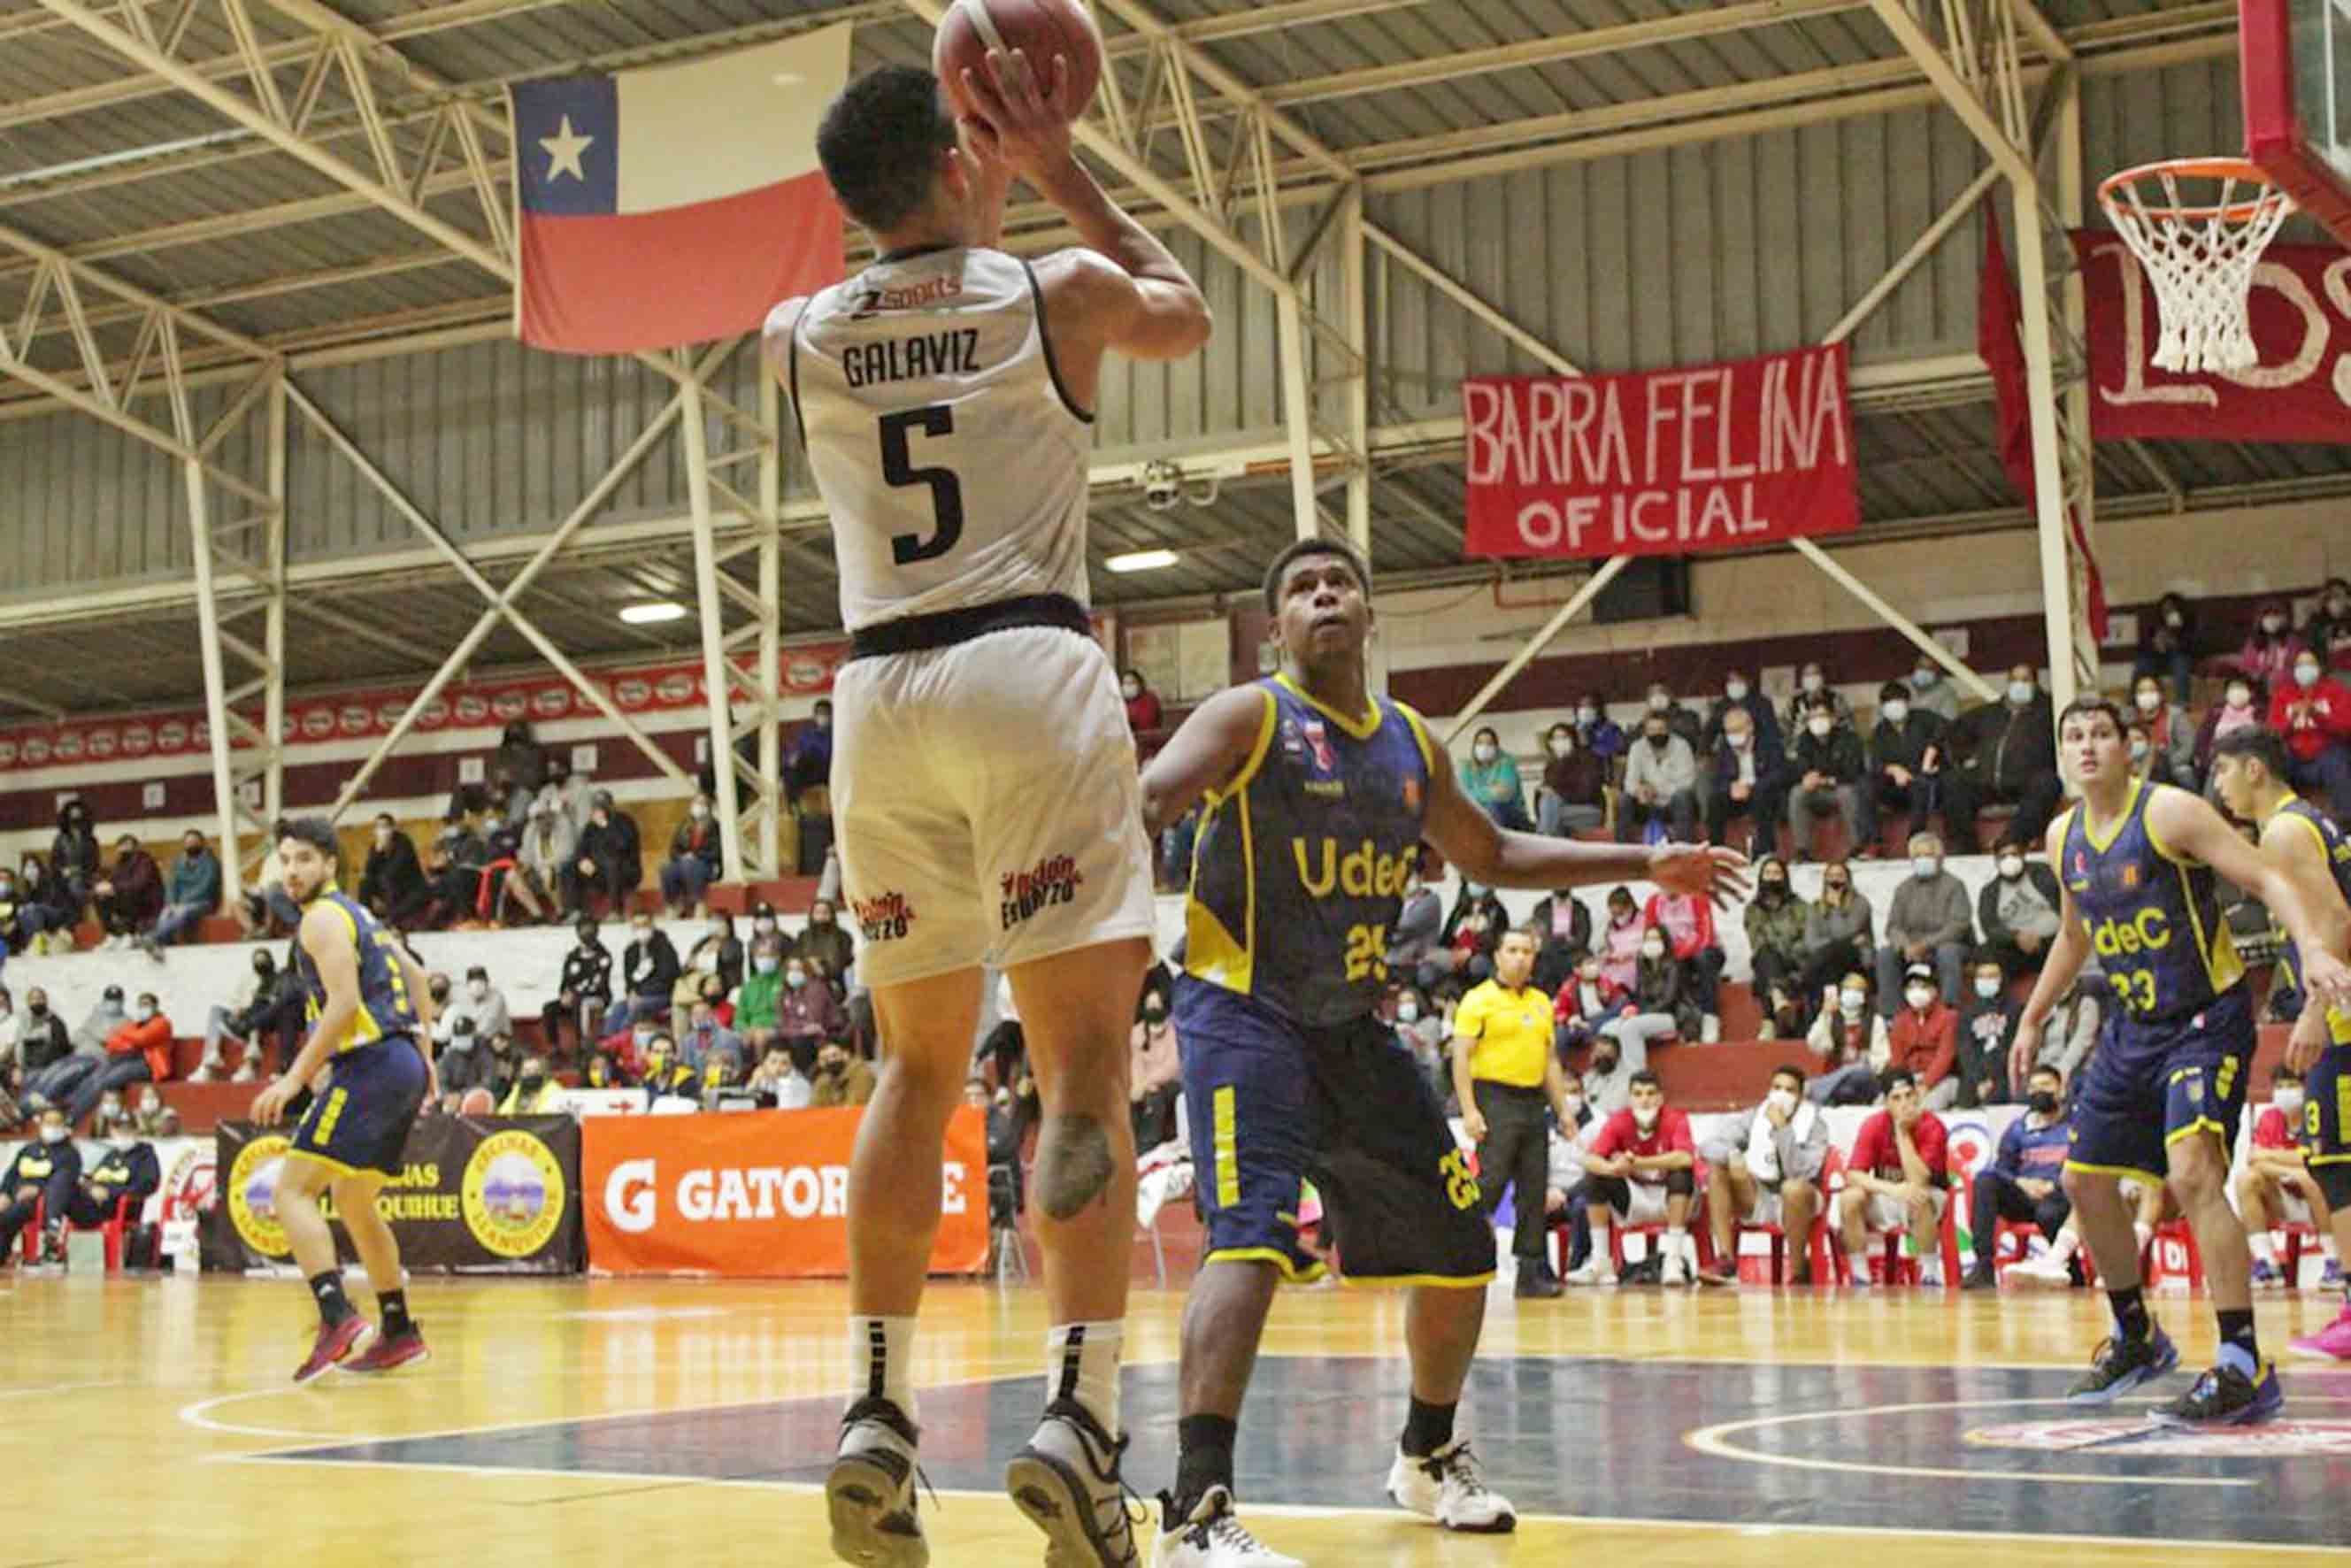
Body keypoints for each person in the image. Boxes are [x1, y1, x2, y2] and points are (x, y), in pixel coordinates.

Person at [772, 55, 1218, 1568]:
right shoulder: (1055, 293)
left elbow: (895, 280)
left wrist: (977, 174)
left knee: (914, 1067)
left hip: (878, 701)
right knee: (1081, 1064)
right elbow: (1186, 306)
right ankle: (1080, 1422)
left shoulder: (797, 336)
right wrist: (1061, 157)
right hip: (1024, 661)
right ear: (965, 158)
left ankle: (876, 1417)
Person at [1138, 534, 1743, 1562]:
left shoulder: (1409, 742)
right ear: (1273, 629)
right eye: (1299, 589)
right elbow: (1146, 798)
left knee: (1463, 1246)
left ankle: (1424, 1453)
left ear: (1371, 617)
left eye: (1340, 584)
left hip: (1349, 1028)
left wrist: (1645, 859)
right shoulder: (1251, 716)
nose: (1322, 595)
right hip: (1242, 1014)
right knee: (1248, 1236)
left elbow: (1493, 851)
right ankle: (1195, 1514)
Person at [2009, 700, 2351, 1425]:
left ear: (2129, 748)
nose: (2087, 746)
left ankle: (2238, 1362)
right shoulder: (2061, 836)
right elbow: (2074, 937)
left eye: (2101, 733)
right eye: (2074, 737)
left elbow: (2266, 879)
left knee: (2192, 1170)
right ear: (2063, 755)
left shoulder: (2171, 813)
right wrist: (2033, 1016)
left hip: (2205, 1018)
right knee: (2082, 1181)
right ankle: (2135, 1334)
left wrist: (2313, 948)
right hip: (2133, 1027)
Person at [246, 819, 439, 1380]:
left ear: (331, 864)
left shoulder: (321, 920)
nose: (292, 871)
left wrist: (294, 1078)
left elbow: (344, 1004)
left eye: (304, 859)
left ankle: (337, 1315)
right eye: (285, 860)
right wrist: (423, 1055)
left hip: (372, 1063)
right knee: (355, 1202)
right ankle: (398, 1330)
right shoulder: (363, 918)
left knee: (291, 1191)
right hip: (396, 1061)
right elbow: (418, 978)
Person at [2205, 726, 2351, 1357]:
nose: (2217, 786)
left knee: (2338, 1165)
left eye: (2222, 772)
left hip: (2343, 1014)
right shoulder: (2309, 822)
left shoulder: (2286, 830)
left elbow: (2336, 921)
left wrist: (2316, 1010)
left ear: (2254, 770)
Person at [1452, 926, 1582, 1300]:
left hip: (1532, 1101)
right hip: (1494, 1096)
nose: (1520, 958)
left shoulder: (1542, 1002)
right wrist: (1470, 1110)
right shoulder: (1478, 1000)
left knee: (1533, 1186)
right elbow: (1460, 1057)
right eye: (1512, 950)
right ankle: (1459, 1256)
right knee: (1490, 1182)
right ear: (1497, 956)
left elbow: (1550, 1062)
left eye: (1527, 951)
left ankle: (1530, 1272)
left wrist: (1563, 1110)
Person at [1697, 1063, 1827, 1287]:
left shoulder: (1815, 1124)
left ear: (1800, 1096)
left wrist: (1783, 1129)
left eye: (1789, 1090)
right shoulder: (1755, 1116)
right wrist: (1733, 1155)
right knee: (1718, 1169)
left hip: (1801, 1200)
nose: (1781, 1095)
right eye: (1777, 1087)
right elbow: (1707, 1146)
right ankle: (1727, 1262)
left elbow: (1801, 1172)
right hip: (1760, 1195)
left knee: (1792, 1188)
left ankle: (1798, 1273)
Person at [1566, 1070, 1700, 1287]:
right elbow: (1590, 1159)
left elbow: (1685, 1157)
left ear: (1660, 1098)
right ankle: (1601, 1261)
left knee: (1681, 1174)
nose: (1644, 1100)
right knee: (1594, 1177)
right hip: (1634, 1200)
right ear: (1630, 1098)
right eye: (1637, 1094)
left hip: (1672, 1199)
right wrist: (1612, 1168)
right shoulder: (1619, 1121)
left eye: (1650, 1094)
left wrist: (1636, 1162)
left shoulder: (1676, 1119)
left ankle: (1673, 1260)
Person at [1833, 1068, 1950, 1288]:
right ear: (1886, 1103)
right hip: (1891, 1195)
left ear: (1918, 1096)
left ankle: (1930, 1271)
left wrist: (1902, 1133)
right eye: (1896, 1098)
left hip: (1930, 1197)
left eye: (1909, 1095)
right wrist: (1892, 1189)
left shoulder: (1933, 1126)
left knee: (1919, 1196)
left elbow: (1919, 1179)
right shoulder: (1874, 1124)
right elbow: (1853, 1174)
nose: (1905, 1103)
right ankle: (1860, 1274)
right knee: (1850, 1198)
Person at [1960, 1064, 2072, 1289]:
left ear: (2061, 1090)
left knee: (2048, 1212)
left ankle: (2071, 1268)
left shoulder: (2075, 1124)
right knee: (1985, 1180)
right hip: (2024, 1196)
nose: (2040, 1092)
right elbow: (2003, 1168)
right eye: (2034, 1087)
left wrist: (2055, 1186)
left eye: (2046, 1086)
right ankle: (1983, 1265)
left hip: (2062, 1197)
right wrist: (2020, 1182)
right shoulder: (2018, 1129)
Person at [2234, 1066, 2335, 1291]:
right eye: (2280, 1087)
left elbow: (2314, 1158)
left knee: (2312, 1180)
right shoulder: (2270, 1117)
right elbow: (2254, 1158)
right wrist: (2294, 1168)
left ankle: (2333, 1261)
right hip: (2284, 1200)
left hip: (2324, 1202)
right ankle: (2267, 1264)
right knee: (2246, 1180)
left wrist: (2272, 1157)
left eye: (2291, 1086)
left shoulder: (2318, 1114)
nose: (2285, 1092)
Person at [1942, 665, 2063, 852]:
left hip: (2026, 781)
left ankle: (2012, 839)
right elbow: (1953, 731)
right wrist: (1964, 758)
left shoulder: (2048, 713)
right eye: (2015, 680)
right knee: (1954, 781)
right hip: (1986, 781)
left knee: (2049, 783)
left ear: (2035, 684)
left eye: (2025, 680)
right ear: (2008, 683)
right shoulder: (1989, 713)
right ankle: (1965, 847)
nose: (2020, 684)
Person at [1875, 832, 1971, 1015]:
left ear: (1940, 858)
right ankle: (1892, 1015)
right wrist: (1906, 946)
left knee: (1948, 952)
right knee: (1885, 955)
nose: (1922, 860)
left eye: (1927, 855)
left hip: (1946, 945)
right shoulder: (1903, 889)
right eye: (1917, 856)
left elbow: (1958, 925)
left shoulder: (1954, 886)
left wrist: (1925, 945)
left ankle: (1948, 1011)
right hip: (1910, 949)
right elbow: (1893, 926)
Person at [2267, 647, 2351, 819]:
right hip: (2293, 756)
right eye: (2300, 665)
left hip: (2327, 754)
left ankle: (2347, 822)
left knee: (2337, 761)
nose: (2305, 669)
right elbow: (2273, 733)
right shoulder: (2283, 694)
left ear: (2319, 667)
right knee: (2274, 762)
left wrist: (2316, 714)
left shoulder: (2335, 691)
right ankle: (2276, 820)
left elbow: (2346, 728)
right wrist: (2292, 720)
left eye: (2310, 664)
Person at [1786, 695, 1872, 863]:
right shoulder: (1804, 740)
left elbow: (1853, 772)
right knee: (1797, 793)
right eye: (1813, 717)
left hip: (1840, 790)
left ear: (1833, 719)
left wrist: (1826, 780)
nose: (1817, 721)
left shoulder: (1849, 739)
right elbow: (1798, 769)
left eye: (1822, 716)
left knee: (1846, 793)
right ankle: (1802, 851)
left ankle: (1857, 848)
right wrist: (1805, 778)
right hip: (1815, 793)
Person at [1642, 883, 1725, 1040]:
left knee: (1702, 958)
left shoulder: (1697, 898)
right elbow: (1650, 935)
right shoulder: (1654, 902)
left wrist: (1678, 954)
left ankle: (1710, 1015)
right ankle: (1685, 1020)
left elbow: (1706, 936)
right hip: (1673, 955)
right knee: (1667, 966)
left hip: (1705, 950)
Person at [1706, 703, 1788, 858]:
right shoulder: (1725, 749)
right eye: (1729, 732)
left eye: (1737, 730)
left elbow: (1780, 774)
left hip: (1764, 793)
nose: (1733, 735)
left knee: (1762, 796)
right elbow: (1717, 780)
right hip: (1736, 795)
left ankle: (1764, 851)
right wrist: (1730, 788)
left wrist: (1752, 787)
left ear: (1750, 727)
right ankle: (1716, 851)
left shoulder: (1769, 744)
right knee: (1714, 801)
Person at [0, 1105, 81, 1264]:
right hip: (16, 1196)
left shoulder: (70, 1154)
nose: (52, 1128)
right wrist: (4, 1194)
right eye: (48, 1123)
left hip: (42, 1202)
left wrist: (38, 1190)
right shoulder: (28, 1150)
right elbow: (12, 1175)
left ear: (64, 1126)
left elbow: (64, 1184)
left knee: (12, 1214)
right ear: (41, 1124)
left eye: (57, 1123)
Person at [1978, 835, 2064, 981]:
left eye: (2014, 854)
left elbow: (2065, 903)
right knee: (1985, 952)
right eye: (2003, 856)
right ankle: (1998, 1001)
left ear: (2023, 855)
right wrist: (2015, 937)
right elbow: (1989, 927)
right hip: (2015, 946)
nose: (2009, 860)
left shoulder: (2043, 873)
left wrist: (2042, 938)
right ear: (1996, 861)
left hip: (2052, 942)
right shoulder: (1990, 891)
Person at [1867, 679, 1945, 841]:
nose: (1894, 706)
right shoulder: (1880, 732)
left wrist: (1931, 754)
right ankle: (1872, 842)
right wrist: (1893, 769)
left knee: (1921, 785)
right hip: (1896, 787)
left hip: (1926, 781)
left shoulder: (1925, 719)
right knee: (1866, 786)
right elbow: (1874, 762)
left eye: (1898, 701)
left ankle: (1915, 838)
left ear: (1907, 703)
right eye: (1889, 702)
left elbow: (1946, 731)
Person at [1804, 972, 1888, 1105]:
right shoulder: (1831, 1017)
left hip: (1865, 1080)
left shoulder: (1875, 1021)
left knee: (1859, 1069)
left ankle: (1816, 1088)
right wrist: (1825, 1015)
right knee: (1844, 1089)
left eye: (1857, 990)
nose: (1851, 993)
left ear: (1865, 995)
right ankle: (1830, 1092)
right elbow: (1817, 1046)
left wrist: (1860, 1066)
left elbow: (1882, 1059)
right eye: (1847, 989)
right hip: (1836, 1082)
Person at [69, 1111, 161, 1232]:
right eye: (120, 1131)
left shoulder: (145, 1155)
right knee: (66, 1190)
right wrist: (91, 1188)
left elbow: (147, 1184)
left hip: (120, 1206)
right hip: (94, 1203)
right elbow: (92, 1178)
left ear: (136, 1131)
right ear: (113, 1132)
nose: (123, 1134)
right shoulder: (112, 1155)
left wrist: (110, 1193)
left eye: (128, 1130)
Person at [1618, 708, 1699, 844]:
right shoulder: (1637, 747)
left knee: (1683, 797)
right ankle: (1621, 852)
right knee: (1625, 799)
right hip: (1646, 804)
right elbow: (1629, 782)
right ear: (1645, 732)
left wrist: (1656, 790)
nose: (1657, 733)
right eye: (1652, 730)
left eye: (1661, 729)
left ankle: (1685, 851)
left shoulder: (1682, 746)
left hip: (1673, 805)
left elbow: (1687, 782)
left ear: (1669, 729)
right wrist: (1639, 790)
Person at [1887, 963, 1959, 1110]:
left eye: (1922, 986)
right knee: (1885, 1108)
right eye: (1911, 987)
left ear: (1935, 990)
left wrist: (1925, 1085)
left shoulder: (1948, 1017)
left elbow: (1944, 1057)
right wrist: (1901, 1087)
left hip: (1941, 1079)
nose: (1916, 992)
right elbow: (1897, 1060)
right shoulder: (1900, 1020)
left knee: (1926, 1109)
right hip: (1909, 1080)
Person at [140, 828, 221, 957]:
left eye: (194, 841)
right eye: (188, 842)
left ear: (202, 843)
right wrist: (171, 903)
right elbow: (172, 886)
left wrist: (183, 904)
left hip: (203, 902)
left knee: (183, 912)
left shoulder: (211, 863)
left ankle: (154, 937)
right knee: (165, 913)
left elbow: (206, 887)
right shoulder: (178, 862)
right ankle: (163, 946)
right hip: (180, 904)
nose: (190, 845)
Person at [1744, 856, 1809, 1015]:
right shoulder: (1753, 909)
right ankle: (1778, 999)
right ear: (1761, 878)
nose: (1772, 878)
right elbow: (1757, 940)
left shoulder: (1799, 906)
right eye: (1768, 873)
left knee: (1764, 972)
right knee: (1764, 956)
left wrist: (1787, 951)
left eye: (1776, 873)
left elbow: (1806, 936)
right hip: (1769, 959)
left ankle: (1769, 1021)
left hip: (1795, 958)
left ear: (1784, 877)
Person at [1799, 860, 1874, 995]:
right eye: (1831, 876)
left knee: (1829, 956)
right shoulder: (1815, 907)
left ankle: (1805, 984)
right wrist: (1839, 943)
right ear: (1825, 880)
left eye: (1840, 876)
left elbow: (1852, 929)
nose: (1835, 879)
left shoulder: (1860, 903)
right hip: (1827, 960)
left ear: (1848, 879)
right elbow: (1810, 942)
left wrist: (1838, 905)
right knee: (1828, 960)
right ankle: (1826, 1004)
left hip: (1857, 956)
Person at [1955, 956, 2020, 1109]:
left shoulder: (2014, 1009)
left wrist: (1992, 1079)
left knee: (2000, 1093)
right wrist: (1979, 1080)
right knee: (1965, 1096)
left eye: (1991, 976)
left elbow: (2011, 1045)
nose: (1986, 981)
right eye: (1981, 977)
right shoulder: (1967, 1013)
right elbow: (1965, 1049)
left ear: (2001, 979)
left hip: (2004, 1073)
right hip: (1975, 1075)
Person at [544, 918, 613, 1060]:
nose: (586, 933)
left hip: (598, 998)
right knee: (549, 1008)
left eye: (589, 929)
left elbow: (597, 984)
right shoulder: (573, 956)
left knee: (580, 1003)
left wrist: (574, 994)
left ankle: (582, 1047)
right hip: (574, 997)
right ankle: (554, 1048)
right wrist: (564, 994)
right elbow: (565, 981)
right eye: (582, 930)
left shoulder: (603, 956)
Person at [572, 791, 642, 914]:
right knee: (568, 868)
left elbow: (623, 846)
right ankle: (575, 911)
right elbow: (581, 847)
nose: (599, 811)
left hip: (626, 870)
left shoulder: (624, 822)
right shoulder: (591, 827)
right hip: (597, 871)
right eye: (596, 807)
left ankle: (615, 910)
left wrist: (605, 826)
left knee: (612, 863)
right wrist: (583, 860)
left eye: (602, 807)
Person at [1536, 721, 1608, 838]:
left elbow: (1587, 793)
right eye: (1555, 738)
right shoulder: (1551, 767)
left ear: (1573, 739)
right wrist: (1561, 763)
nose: (1560, 741)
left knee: (1550, 811)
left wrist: (1558, 792)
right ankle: (1549, 841)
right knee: (1550, 807)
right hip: (1560, 812)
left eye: (1564, 737)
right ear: (1550, 743)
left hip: (1589, 811)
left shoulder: (1587, 759)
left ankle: (1544, 841)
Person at [358, 816, 432, 929]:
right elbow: (369, 872)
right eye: (378, 827)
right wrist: (378, 852)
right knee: (365, 883)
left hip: (409, 889)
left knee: (388, 880)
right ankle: (365, 921)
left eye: (385, 827)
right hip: (387, 889)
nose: (382, 831)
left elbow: (395, 870)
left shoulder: (403, 842)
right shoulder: (375, 847)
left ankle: (391, 921)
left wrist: (385, 848)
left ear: (393, 828)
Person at [92, 832, 163, 948]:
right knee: (100, 896)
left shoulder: (145, 861)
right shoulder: (120, 864)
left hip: (148, 902)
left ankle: (130, 934)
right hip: (127, 898)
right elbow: (113, 881)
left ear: (135, 847)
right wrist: (104, 887)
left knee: (128, 895)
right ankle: (113, 934)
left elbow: (139, 885)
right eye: (121, 845)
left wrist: (114, 888)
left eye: (127, 845)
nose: (123, 848)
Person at [660, 795, 724, 917]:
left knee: (691, 865)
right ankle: (673, 905)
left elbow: (716, 851)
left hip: (707, 864)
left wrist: (695, 856)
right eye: (696, 803)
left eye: (702, 804)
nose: (698, 807)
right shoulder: (684, 825)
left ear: (708, 807)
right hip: (684, 861)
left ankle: (699, 903)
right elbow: (673, 849)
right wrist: (682, 856)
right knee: (666, 868)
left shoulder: (715, 827)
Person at [1459, 726, 1533, 832]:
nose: (1484, 747)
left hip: (1512, 816)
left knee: (1494, 806)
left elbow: (1504, 794)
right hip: (1479, 816)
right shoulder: (1467, 766)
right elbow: (1463, 796)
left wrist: (1475, 794)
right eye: (1480, 743)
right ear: (1474, 746)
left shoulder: (1506, 762)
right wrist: (1491, 791)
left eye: (1489, 743)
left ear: (1496, 747)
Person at [2132, 673, 2198, 790]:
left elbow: (2188, 746)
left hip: (2171, 764)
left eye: (2151, 690)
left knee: (2184, 772)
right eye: (2141, 691)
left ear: (2160, 694)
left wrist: (2167, 764)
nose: (2146, 695)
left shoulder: (2175, 714)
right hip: (2138, 765)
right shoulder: (2129, 717)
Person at [2135, 591, 2200, 703]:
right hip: (2158, 657)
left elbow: (2195, 645)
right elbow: (2144, 645)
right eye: (2165, 609)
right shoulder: (2154, 622)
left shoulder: (2190, 621)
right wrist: (2156, 643)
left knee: (2181, 665)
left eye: (2172, 609)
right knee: (2142, 665)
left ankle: (2182, 703)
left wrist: (2177, 638)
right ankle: (2135, 702)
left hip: (2180, 656)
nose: (2168, 612)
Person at [2234, 599, 2301, 695]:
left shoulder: (2293, 641)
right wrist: (2259, 676)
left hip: (2289, 691)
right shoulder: (2253, 643)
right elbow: (2246, 668)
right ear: (2260, 620)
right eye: (2267, 616)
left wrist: (2280, 675)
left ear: (2284, 619)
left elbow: (2301, 668)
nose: (2272, 620)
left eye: (2276, 616)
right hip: (2260, 691)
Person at [811, 1040, 879, 1108]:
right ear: (820, 1063)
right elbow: (813, 1108)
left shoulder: (862, 1073)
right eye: (825, 1059)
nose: (831, 1061)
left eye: (834, 1055)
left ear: (846, 1055)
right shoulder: (823, 1080)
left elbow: (857, 1105)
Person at [1907, 654, 1961, 724]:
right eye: (1920, 666)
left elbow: (1948, 726)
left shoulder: (1948, 693)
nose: (1923, 671)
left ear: (1938, 671)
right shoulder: (1903, 684)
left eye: (1930, 668)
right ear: (1915, 666)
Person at [1121, 668, 1164, 733]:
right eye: (1125, 683)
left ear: (1140, 684)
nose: (1128, 686)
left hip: (1147, 738)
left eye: (1132, 683)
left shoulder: (1149, 700)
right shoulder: (1123, 702)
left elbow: (1146, 724)